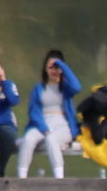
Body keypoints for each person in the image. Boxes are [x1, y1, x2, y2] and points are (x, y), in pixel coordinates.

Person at [16, 50, 85, 180]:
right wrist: (44, 129)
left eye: (57, 67)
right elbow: (34, 112)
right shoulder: (38, 88)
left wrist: (61, 65)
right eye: (50, 67)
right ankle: (21, 178)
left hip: (63, 125)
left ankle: (59, 178)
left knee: (51, 139)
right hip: (43, 123)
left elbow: (77, 87)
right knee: (29, 138)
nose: (54, 70)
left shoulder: (66, 87)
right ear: (45, 68)